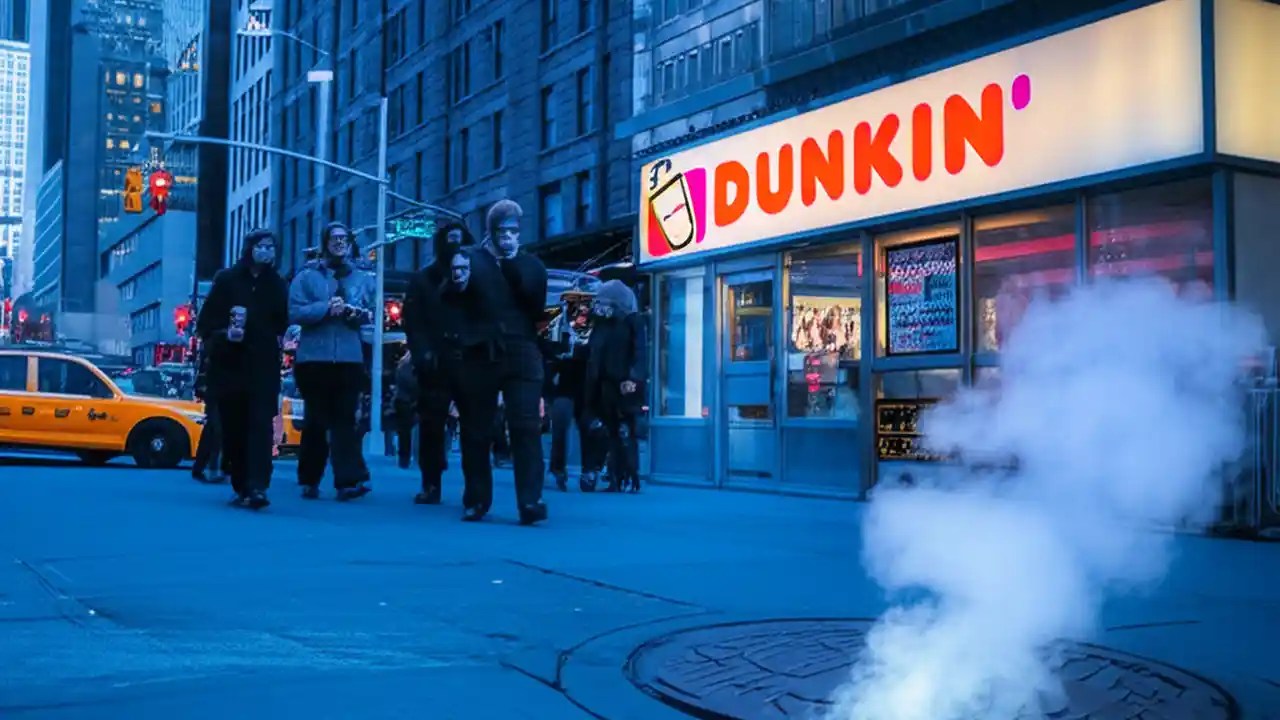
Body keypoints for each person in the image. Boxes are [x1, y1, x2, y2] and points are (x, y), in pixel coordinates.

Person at [462, 200, 549, 525]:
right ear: (492, 231)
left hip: (522, 350)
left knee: (525, 427)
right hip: (481, 352)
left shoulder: (531, 265)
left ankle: (530, 500)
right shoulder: (473, 262)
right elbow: (457, 303)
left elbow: (534, 305)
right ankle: (477, 499)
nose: (509, 237)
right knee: (478, 429)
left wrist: (512, 266)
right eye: (503, 231)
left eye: (514, 231)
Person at [195, 229, 290, 509]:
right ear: (249, 249)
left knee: (261, 427)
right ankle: (241, 484)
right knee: (235, 426)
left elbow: (282, 321)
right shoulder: (228, 280)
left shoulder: (276, 283)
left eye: (271, 247)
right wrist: (225, 334)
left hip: (263, 364)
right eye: (261, 246)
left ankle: (258, 486)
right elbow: (205, 324)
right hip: (229, 365)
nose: (266, 251)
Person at [289, 221, 375, 502]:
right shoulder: (307, 276)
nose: (340, 243)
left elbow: (373, 313)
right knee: (316, 421)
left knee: (345, 420)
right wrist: (326, 308)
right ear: (325, 242)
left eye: (344, 238)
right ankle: (309, 478)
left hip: (349, 358)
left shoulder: (364, 278)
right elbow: (295, 312)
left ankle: (347, 480)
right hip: (314, 359)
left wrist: (357, 315)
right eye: (334, 238)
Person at [402, 220, 481, 506]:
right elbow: (413, 322)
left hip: (469, 358)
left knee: (473, 425)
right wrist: (423, 352)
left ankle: (474, 490)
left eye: (460, 240)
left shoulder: (478, 276)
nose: (455, 247)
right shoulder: (423, 280)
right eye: (450, 240)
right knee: (432, 425)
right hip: (435, 362)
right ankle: (431, 482)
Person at [582, 280, 647, 493]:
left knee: (623, 430)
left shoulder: (624, 322)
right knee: (615, 430)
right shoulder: (614, 322)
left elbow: (639, 352)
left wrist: (632, 377)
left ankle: (627, 475)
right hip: (610, 383)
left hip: (620, 383)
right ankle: (619, 475)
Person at [545, 317, 591, 492]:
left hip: (578, 387)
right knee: (561, 431)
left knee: (583, 430)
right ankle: (559, 469)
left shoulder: (589, 333)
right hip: (566, 387)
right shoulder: (560, 332)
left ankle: (586, 470)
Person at [191, 342, 226, 484]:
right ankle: (214, 468)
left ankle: (203, 467)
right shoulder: (218, 346)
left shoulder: (211, 345)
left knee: (212, 430)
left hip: (215, 391)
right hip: (219, 391)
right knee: (217, 430)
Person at [393, 349, 419, 469]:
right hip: (409, 400)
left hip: (404, 400)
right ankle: (410, 457)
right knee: (407, 432)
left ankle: (405, 458)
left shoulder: (403, 363)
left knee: (404, 432)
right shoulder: (409, 363)